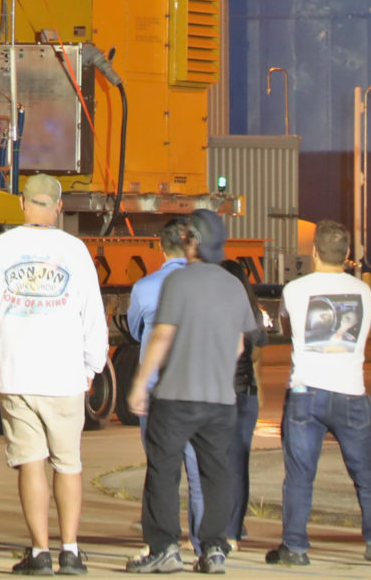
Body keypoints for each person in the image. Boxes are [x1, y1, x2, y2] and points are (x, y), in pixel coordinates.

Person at [0, 175, 109, 577]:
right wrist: (90, 366)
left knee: (30, 463)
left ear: (23, 205)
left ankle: (40, 553)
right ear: (59, 207)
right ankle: (71, 551)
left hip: (17, 373)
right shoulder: (75, 251)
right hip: (64, 374)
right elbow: (92, 314)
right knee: (68, 463)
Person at [126, 209, 259, 575]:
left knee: (163, 472)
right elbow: (237, 348)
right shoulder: (233, 284)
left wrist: (140, 384)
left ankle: (165, 547)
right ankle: (215, 548)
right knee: (216, 473)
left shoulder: (178, 283)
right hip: (219, 399)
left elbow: (161, 336)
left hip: (176, 396)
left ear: (194, 242)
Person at [262, 220, 371, 568]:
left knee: (300, 474)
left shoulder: (294, 289)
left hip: (306, 392)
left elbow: (288, 329)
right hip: (352, 392)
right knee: (367, 474)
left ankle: (294, 547)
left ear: (314, 252)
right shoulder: (365, 292)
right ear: (348, 254)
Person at [126, 219, 205, 550]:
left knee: (161, 472)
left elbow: (135, 331)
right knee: (200, 475)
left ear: (160, 247)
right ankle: (205, 545)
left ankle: (161, 544)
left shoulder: (144, 287)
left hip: (158, 391)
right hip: (199, 388)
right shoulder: (205, 285)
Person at [220, 258, 266, 551]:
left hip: (221, 396)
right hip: (247, 393)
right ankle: (233, 531)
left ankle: (219, 530)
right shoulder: (254, 312)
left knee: (214, 465)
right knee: (239, 466)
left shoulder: (218, 311)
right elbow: (257, 355)